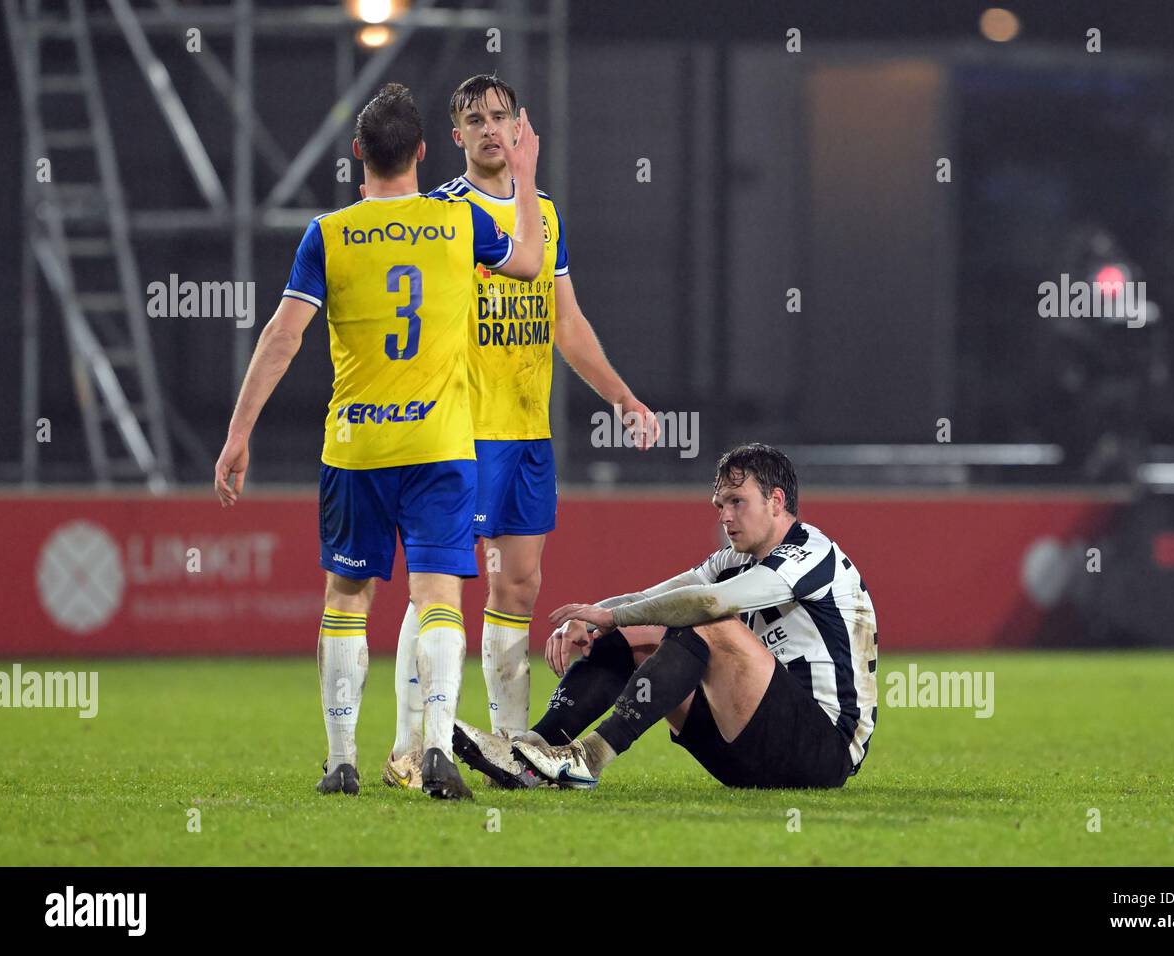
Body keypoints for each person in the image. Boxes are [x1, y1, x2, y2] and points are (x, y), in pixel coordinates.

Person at [213, 82, 544, 800]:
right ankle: (434, 750)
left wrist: (239, 436)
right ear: (424, 152)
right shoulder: (457, 225)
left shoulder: (326, 235)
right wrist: (526, 175)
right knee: (438, 600)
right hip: (439, 447)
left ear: (357, 154)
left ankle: (341, 762)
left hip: (356, 449)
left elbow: (282, 338)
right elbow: (526, 261)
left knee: (346, 596)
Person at [381, 74, 657, 790]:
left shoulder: (546, 213)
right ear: (457, 136)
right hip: (459, 433)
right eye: (475, 119)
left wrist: (622, 396)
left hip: (527, 433)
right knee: (438, 587)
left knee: (522, 587)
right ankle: (411, 744)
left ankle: (508, 746)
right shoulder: (440, 213)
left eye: (501, 116)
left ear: (521, 125)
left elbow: (565, 323)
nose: (490, 128)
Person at [454, 443, 879, 790]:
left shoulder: (811, 552)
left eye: (737, 501)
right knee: (630, 635)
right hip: (746, 754)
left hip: (821, 753)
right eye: (720, 505)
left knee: (704, 618)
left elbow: (708, 604)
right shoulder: (733, 559)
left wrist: (613, 614)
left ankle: (590, 757)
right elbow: (659, 595)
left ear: (776, 501)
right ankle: (527, 754)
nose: (725, 516)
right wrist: (597, 618)